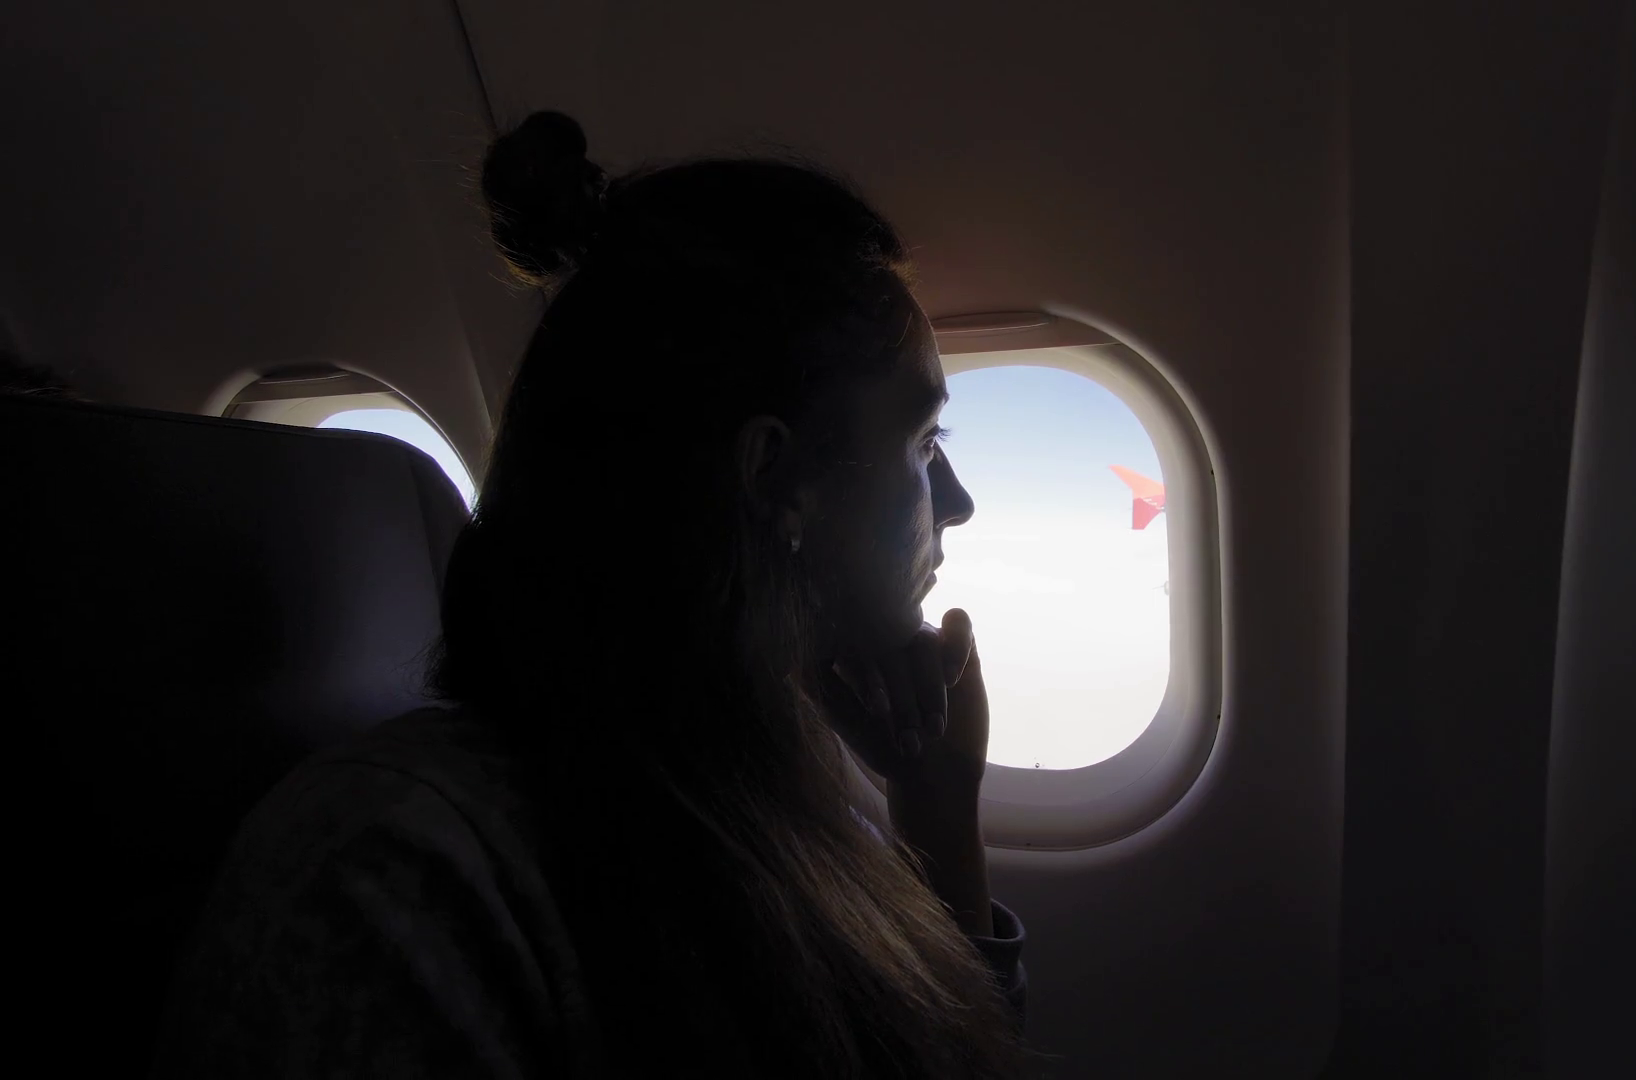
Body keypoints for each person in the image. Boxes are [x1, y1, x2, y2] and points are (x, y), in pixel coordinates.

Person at [149, 111, 1032, 1079]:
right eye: (925, 444)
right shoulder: (391, 880)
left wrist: (937, 814)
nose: (958, 501)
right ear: (774, 477)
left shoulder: (764, 793)